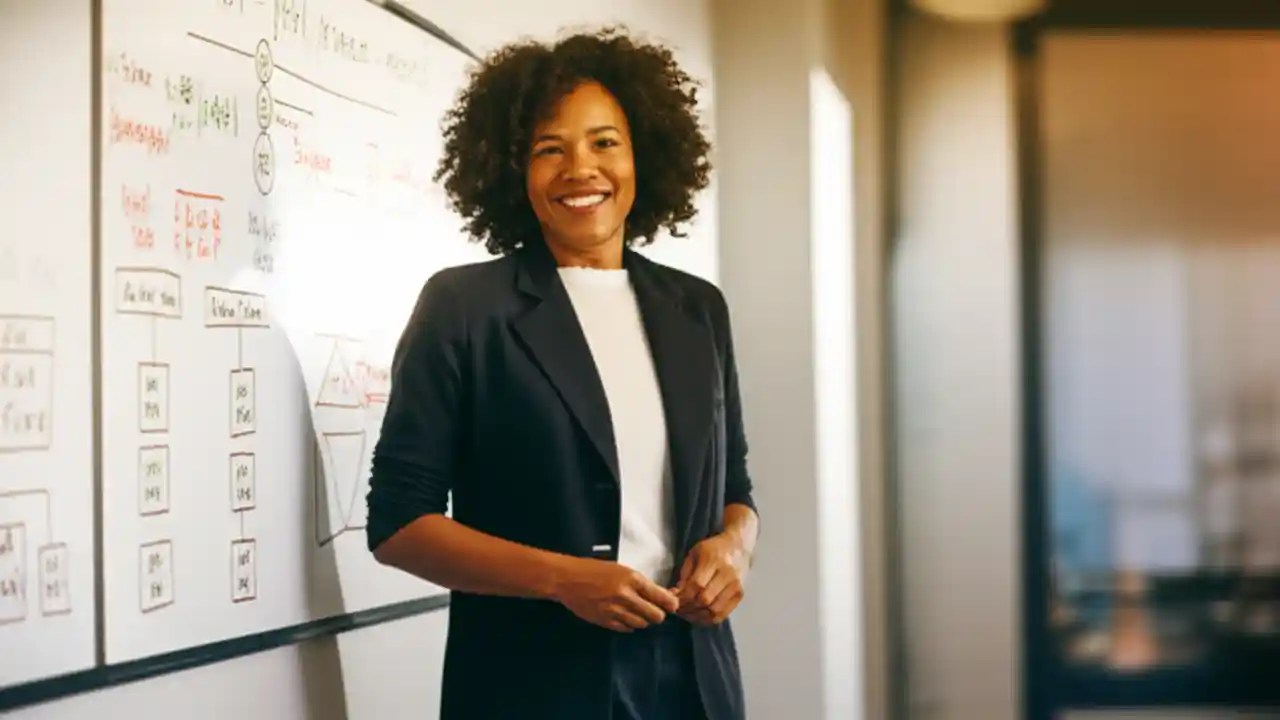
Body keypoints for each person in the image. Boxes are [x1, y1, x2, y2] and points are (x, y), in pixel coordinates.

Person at [365, 26, 760, 720]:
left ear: (644, 154)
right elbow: (400, 523)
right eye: (551, 149)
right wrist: (562, 580)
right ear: (513, 169)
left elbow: (736, 489)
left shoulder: (697, 310)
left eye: (605, 142)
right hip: (531, 685)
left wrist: (734, 548)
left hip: (694, 680)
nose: (582, 169)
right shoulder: (464, 308)